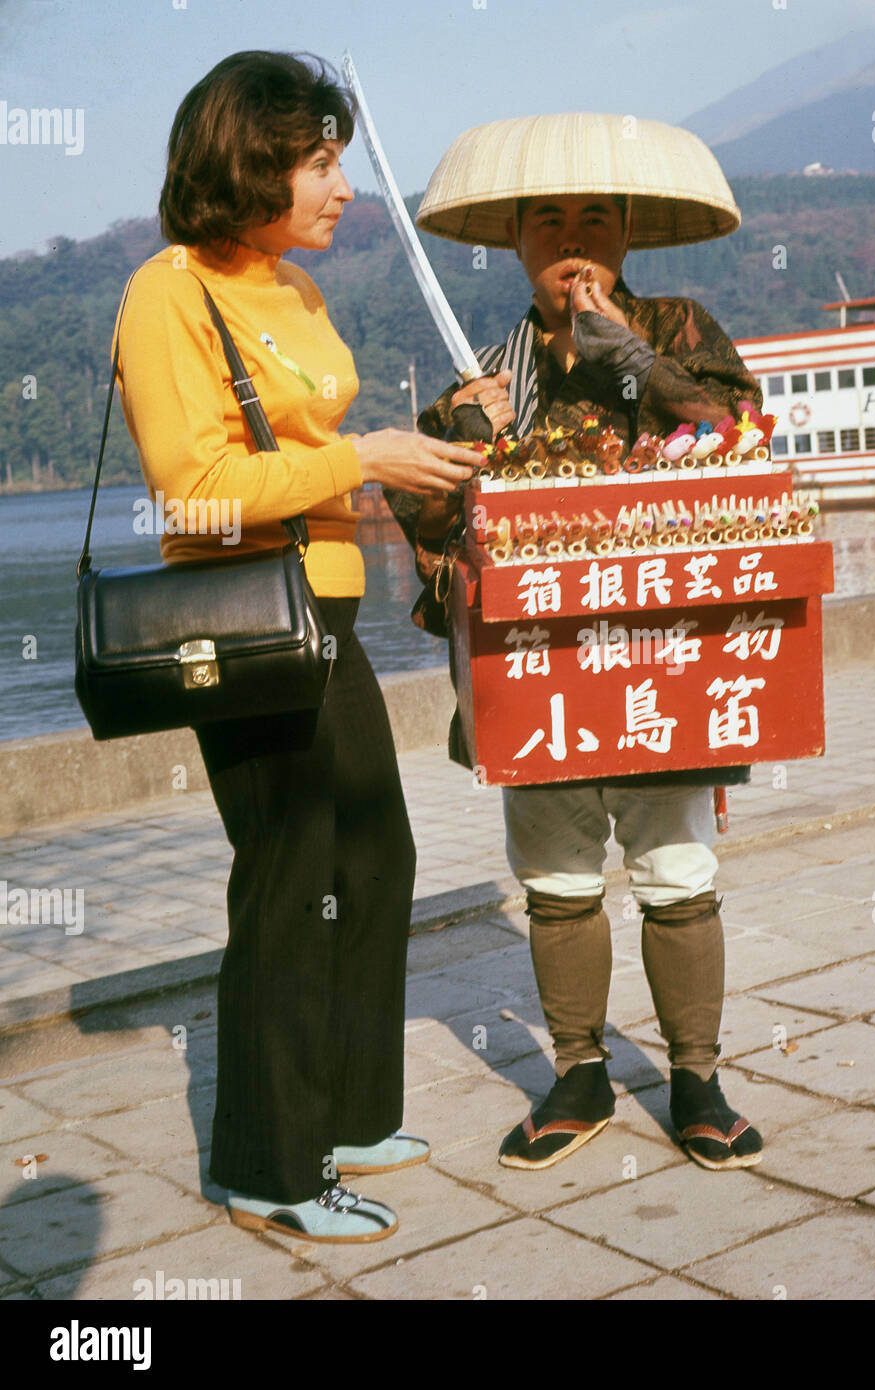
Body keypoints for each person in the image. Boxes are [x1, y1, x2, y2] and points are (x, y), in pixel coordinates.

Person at [114, 51, 482, 1241]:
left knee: (375, 852)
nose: (343, 189)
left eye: (337, 161)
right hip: (238, 620)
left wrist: (421, 463)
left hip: (327, 603)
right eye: (319, 164)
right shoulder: (169, 293)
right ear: (250, 161)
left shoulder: (297, 289)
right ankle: (268, 1162)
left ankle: (350, 1110)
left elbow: (320, 457)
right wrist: (364, 458)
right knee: (289, 876)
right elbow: (195, 492)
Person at [386, 115, 765, 1171]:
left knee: (676, 863)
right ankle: (577, 1072)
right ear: (513, 238)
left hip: (660, 653)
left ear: (628, 232)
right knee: (553, 877)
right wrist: (455, 448)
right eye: (547, 218)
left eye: (595, 216)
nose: (573, 238)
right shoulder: (485, 369)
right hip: (538, 664)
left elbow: (739, 437)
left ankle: (696, 1078)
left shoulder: (679, 325)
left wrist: (633, 364)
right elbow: (421, 531)